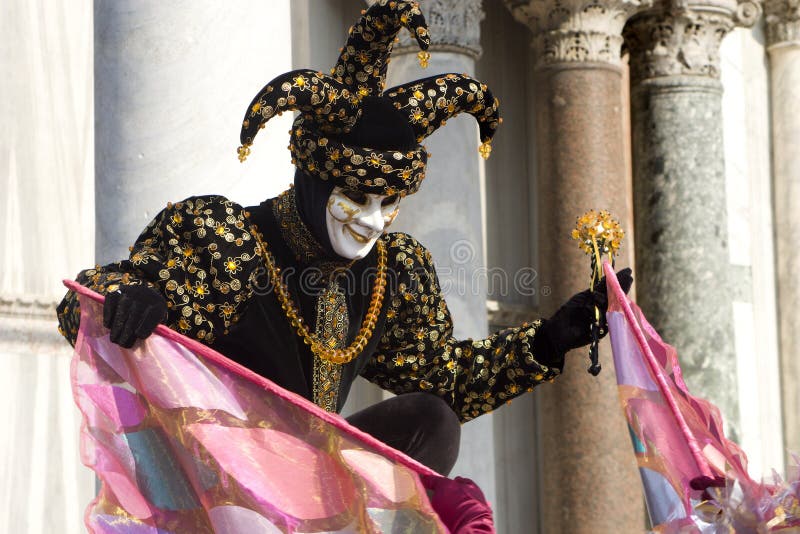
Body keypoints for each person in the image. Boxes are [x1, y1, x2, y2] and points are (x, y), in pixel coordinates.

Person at [57, 0, 630, 486]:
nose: (372, 222)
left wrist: (549, 341)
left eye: (389, 203)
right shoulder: (229, 244)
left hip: (314, 487)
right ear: (313, 178)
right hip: (218, 486)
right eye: (355, 197)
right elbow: (84, 302)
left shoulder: (389, 273)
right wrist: (128, 300)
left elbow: (446, 382)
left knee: (432, 420)